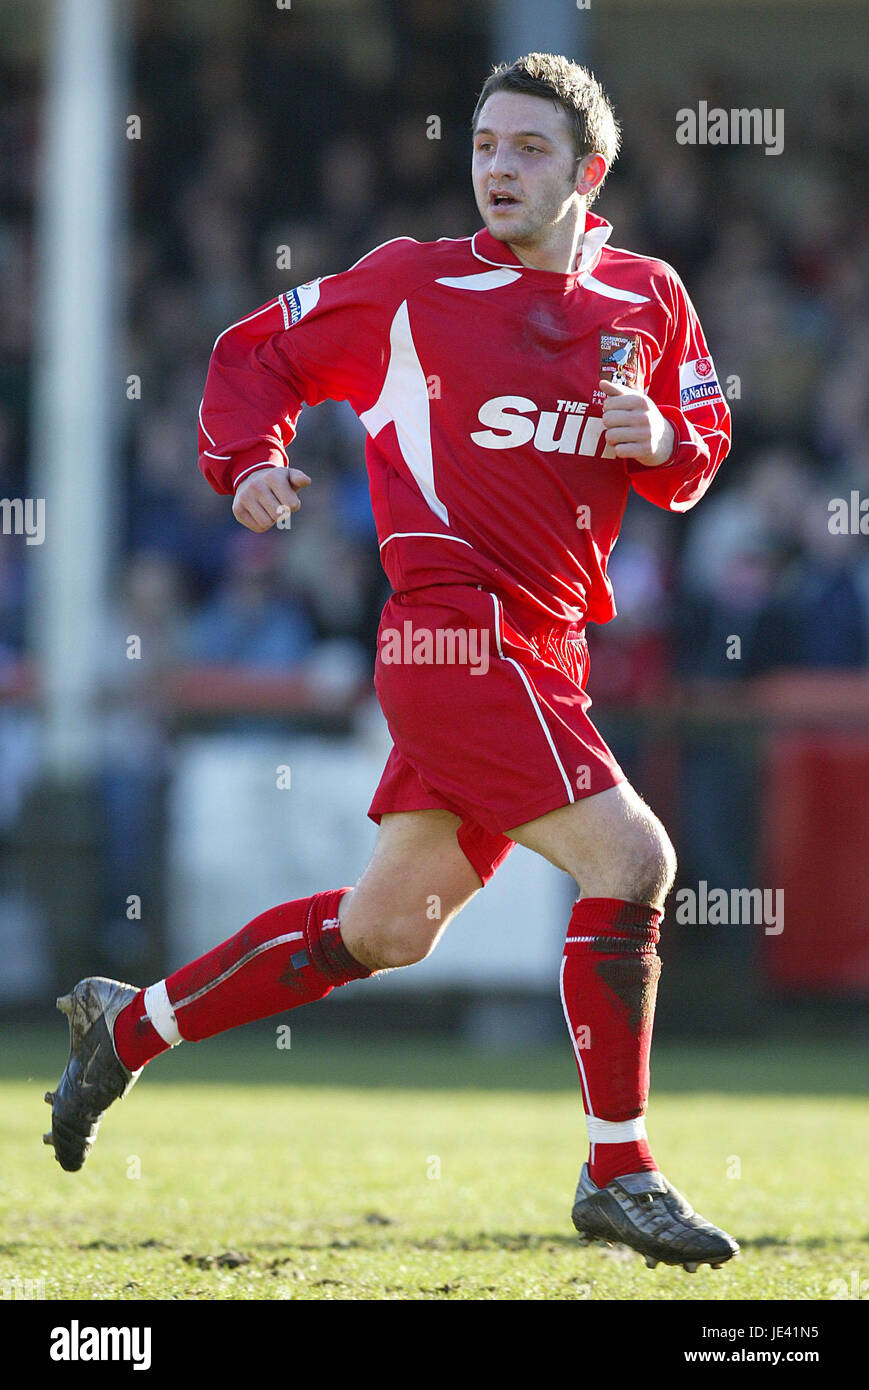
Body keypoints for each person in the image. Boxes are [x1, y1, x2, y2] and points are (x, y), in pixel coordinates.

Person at [44, 53, 737, 1272]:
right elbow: (253, 349)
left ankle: (127, 1026)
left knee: (388, 928)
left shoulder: (648, 298)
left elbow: (695, 446)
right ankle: (616, 1168)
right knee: (633, 859)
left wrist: (664, 436)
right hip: (448, 629)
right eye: (483, 146)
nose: (497, 169)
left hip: (548, 650)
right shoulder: (414, 283)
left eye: (526, 150)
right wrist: (248, 460)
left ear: (588, 171)